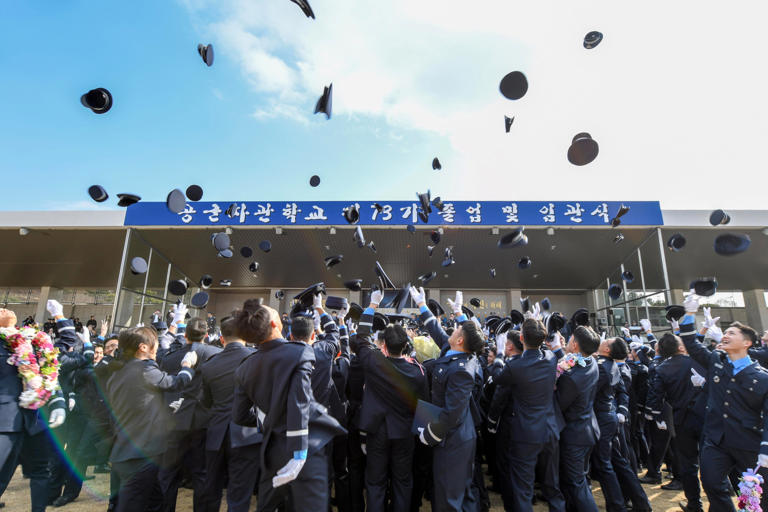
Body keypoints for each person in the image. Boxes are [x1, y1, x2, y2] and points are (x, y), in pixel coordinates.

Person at [232, 299, 345, 511]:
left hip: (271, 449)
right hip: (305, 450)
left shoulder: (245, 366)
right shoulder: (300, 352)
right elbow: (299, 402)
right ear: (275, 324)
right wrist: (299, 452)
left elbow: (239, 416)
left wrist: (270, 418)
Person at [679, 293, 768, 510]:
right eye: (725, 332)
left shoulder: (763, 376)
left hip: (749, 442)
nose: (725, 335)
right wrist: (690, 313)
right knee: (710, 482)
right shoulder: (716, 361)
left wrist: (765, 447)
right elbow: (690, 342)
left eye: (732, 333)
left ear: (747, 342)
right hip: (715, 439)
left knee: (754, 493)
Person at [104, 326, 197, 512]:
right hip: (140, 453)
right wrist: (187, 367)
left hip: (125, 450)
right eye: (154, 342)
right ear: (143, 347)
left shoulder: (117, 373)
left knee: (155, 500)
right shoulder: (145, 370)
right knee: (133, 504)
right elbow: (176, 383)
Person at [411, 287, 485, 512]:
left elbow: (452, 412)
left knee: (448, 496)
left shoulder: (462, 368)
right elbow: (436, 330)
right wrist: (422, 305)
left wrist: (429, 434)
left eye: (457, 329)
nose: (452, 330)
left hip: (453, 438)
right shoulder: (458, 352)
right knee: (460, 491)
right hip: (456, 435)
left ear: (460, 340)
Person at [353, 296, 429, 512]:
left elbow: (360, 338)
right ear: (407, 345)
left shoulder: (374, 362)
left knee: (375, 483)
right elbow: (425, 409)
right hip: (404, 433)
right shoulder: (418, 372)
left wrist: (372, 305)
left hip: (377, 432)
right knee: (402, 482)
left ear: (384, 345)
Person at [491, 317, 566, 512]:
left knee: (523, 488)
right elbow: (561, 357)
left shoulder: (515, 366)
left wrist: (500, 353)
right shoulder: (551, 358)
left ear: (521, 338)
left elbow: (497, 377)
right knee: (552, 486)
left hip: (526, 433)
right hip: (550, 430)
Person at [0, 308, 67, 512]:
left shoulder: (34, 340)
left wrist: (58, 403)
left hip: (35, 420)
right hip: (4, 422)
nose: (4, 308)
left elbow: (50, 372)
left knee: (40, 472)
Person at [158, 310, 221, 512]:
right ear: (206, 334)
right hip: (203, 421)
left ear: (185, 335)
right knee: (201, 474)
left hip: (174, 420)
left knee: (168, 472)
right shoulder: (216, 356)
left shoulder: (169, 358)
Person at [199, 315, 261, 512]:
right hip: (247, 433)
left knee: (211, 488)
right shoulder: (256, 358)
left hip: (216, 432)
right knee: (239, 492)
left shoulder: (209, 364)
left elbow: (205, 402)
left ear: (222, 338)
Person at [646, 331, 707, 512]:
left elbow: (656, 396)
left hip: (681, 420)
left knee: (688, 464)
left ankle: (694, 504)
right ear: (681, 347)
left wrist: (657, 417)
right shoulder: (698, 361)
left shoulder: (662, 368)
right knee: (711, 463)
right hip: (705, 418)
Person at [592, 336, 651, 512]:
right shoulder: (612, 365)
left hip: (603, 420)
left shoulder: (603, 367)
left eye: (606, 341)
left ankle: (617, 506)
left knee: (604, 466)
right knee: (619, 463)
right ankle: (642, 503)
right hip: (610, 419)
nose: (603, 340)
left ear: (608, 350)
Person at [556, 325, 601, 512]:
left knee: (576, 484)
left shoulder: (571, 377)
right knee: (575, 480)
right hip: (588, 430)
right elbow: (572, 361)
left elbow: (559, 404)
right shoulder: (590, 362)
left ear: (574, 344)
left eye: (569, 338)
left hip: (575, 435)